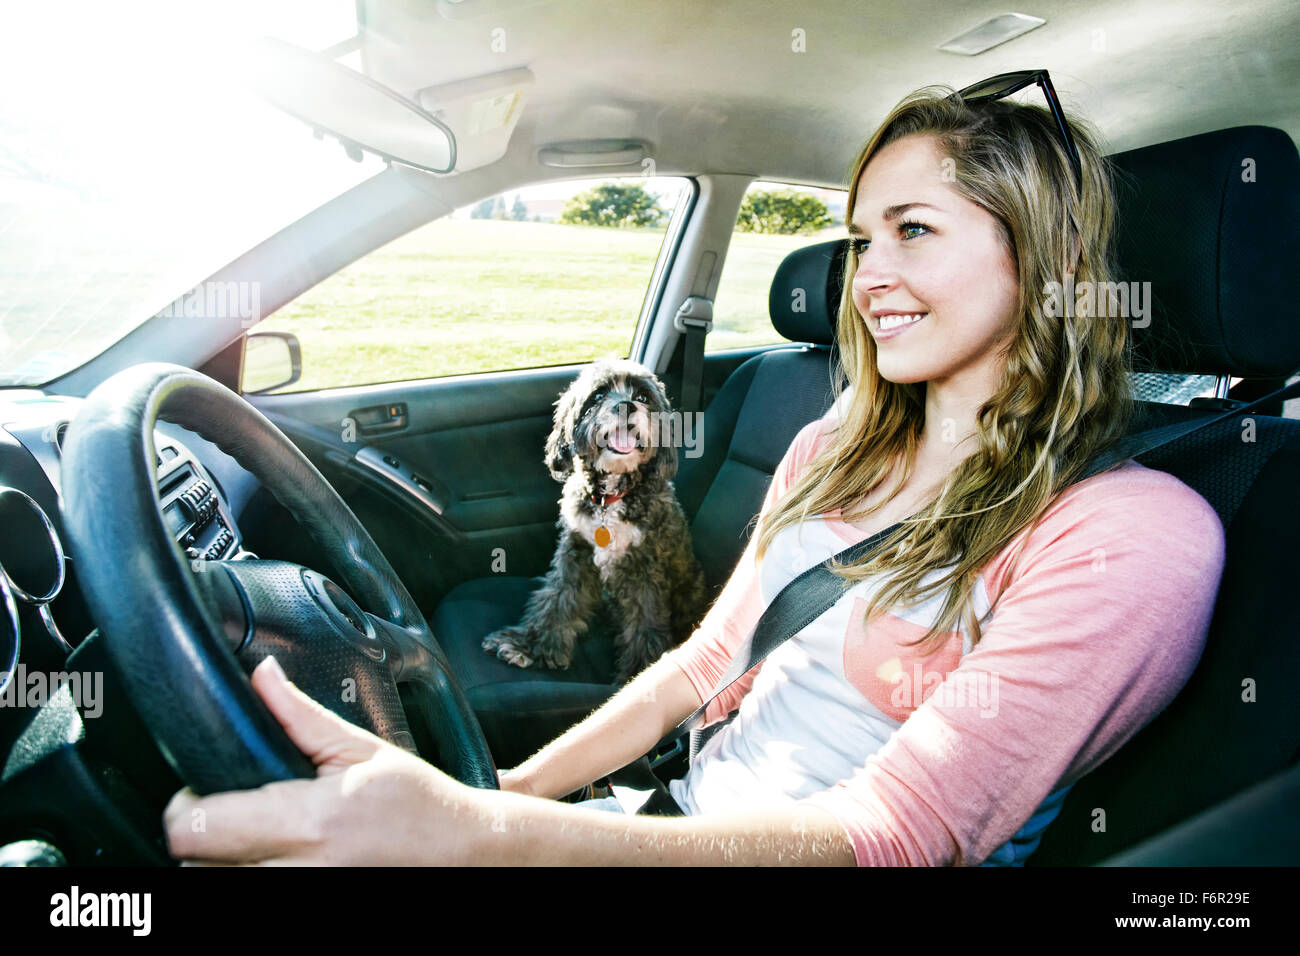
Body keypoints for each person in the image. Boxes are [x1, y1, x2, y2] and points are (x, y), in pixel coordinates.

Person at [163, 80, 1226, 866]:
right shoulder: (834, 444)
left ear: (1043, 261)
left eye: (914, 230)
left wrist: (485, 837)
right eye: (859, 239)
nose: (869, 277)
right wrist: (503, 793)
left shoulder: (1128, 536)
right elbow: (702, 664)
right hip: (677, 815)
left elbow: (900, 830)